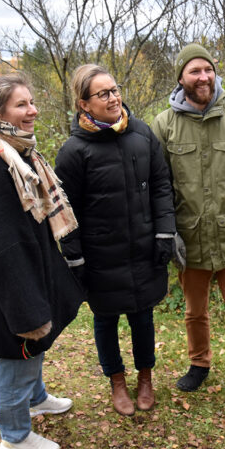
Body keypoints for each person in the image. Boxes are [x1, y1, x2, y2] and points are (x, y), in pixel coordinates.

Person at [0, 70, 84, 449]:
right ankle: (14, 437)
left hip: (23, 275)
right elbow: (6, 247)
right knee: (18, 352)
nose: (33, 111)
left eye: (32, 102)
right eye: (22, 104)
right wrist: (26, 308)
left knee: (32, 350)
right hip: (9, 287)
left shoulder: (11, 153)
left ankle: (36, 398)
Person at [54, 64, 176, 416]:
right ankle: (117, 381)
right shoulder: (74, 151)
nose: (114, 97)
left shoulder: (141, 134)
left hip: (143, 248)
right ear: (83, 104)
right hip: (100, 256)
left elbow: (161, 184)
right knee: (105, 319)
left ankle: (146, 377)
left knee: (143, 317)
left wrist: (165, 231)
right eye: (103, 93)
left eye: (115, 89)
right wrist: (74, 258)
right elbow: (66, 211)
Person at [150, 43, 225, 403]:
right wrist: (168, 231)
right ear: (181, 77)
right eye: (195, 71)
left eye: (208, 69)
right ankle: (199, 365)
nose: (204, 77)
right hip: (191, 238)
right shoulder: (164, 124)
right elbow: (160, 185)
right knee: (194, 312)